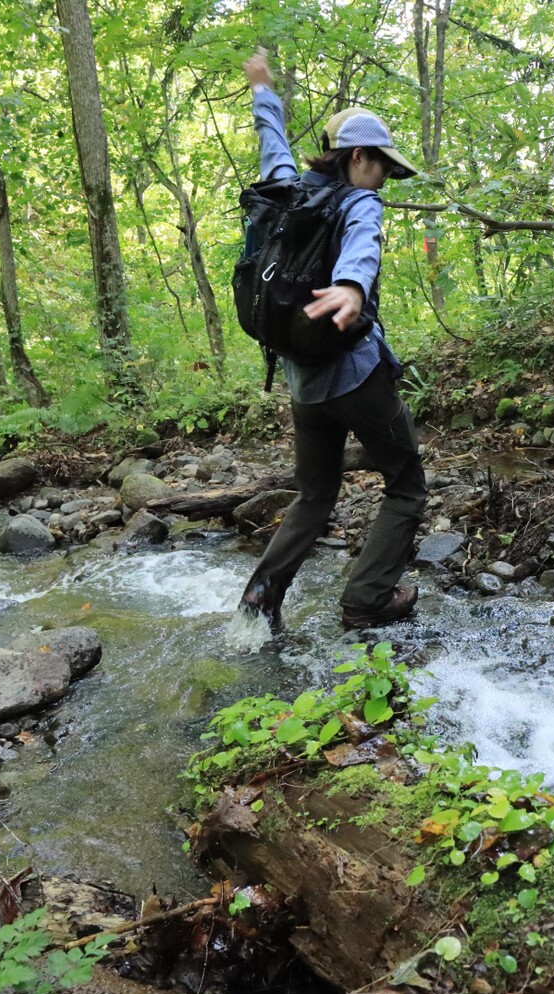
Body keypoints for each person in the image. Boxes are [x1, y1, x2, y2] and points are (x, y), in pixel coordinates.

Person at [236, 48, 428, 632]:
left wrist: (263, 90)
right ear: (360, 157)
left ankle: (258, 603)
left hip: (301, 380)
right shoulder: (359, 201)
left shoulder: (288, 189)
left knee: (315, 495)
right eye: (385, 168)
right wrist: (350, 286)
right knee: (407, 485)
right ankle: (366, 601)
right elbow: (362, 245)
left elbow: (272, 142)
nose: (386, 181)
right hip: (356, 374)